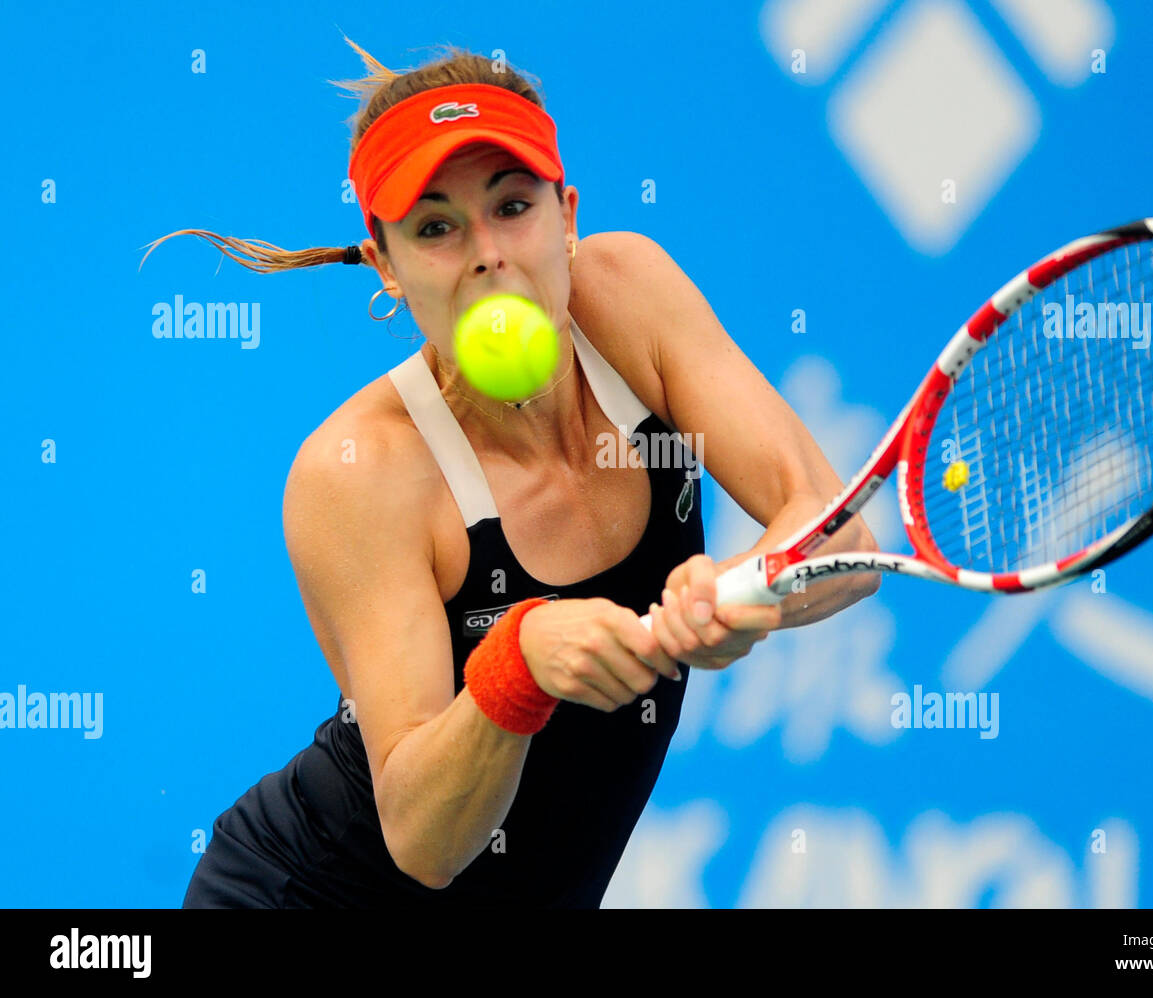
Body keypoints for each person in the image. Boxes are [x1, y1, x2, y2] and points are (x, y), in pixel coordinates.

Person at [151, 38, 880, 908]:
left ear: (567, 215)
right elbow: (425, 841)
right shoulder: (359, 471)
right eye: (435, 228)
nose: (487, 254)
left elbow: (843, 536)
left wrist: (742, 592)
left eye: (511, 205)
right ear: (385, 265)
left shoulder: (633, 296)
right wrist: (516, 663)